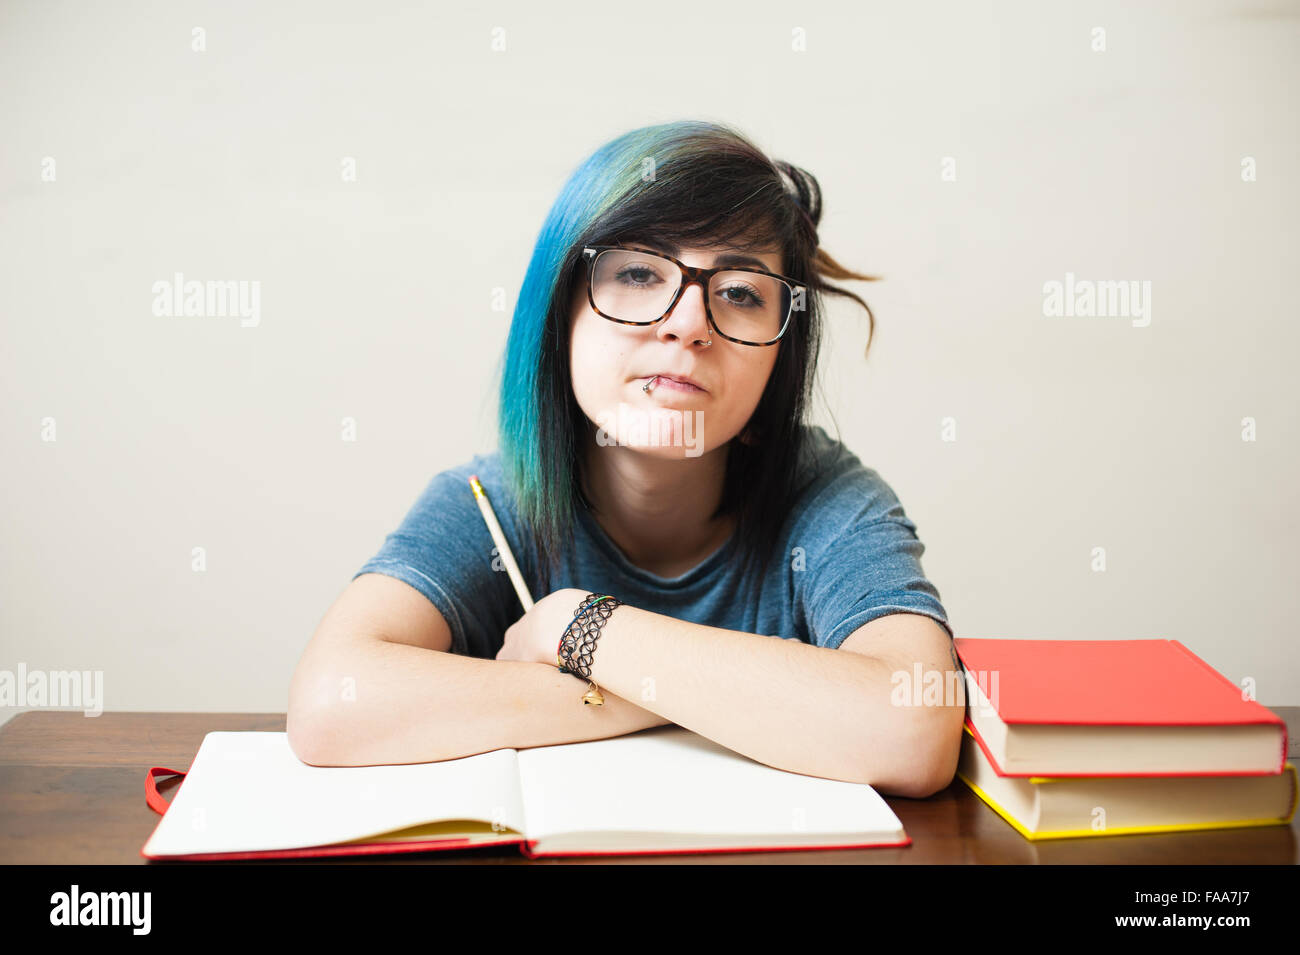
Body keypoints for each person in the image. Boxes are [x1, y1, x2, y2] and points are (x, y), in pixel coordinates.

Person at [287, 120, 965, 797]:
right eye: (639, 272)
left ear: (780, 364)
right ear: (560, 315)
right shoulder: (488, 503)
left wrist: (577, 626)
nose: (689, 323)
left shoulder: (827, 498)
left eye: (739, 292)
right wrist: (692, 693)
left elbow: (913, 726)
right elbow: (328, 705)